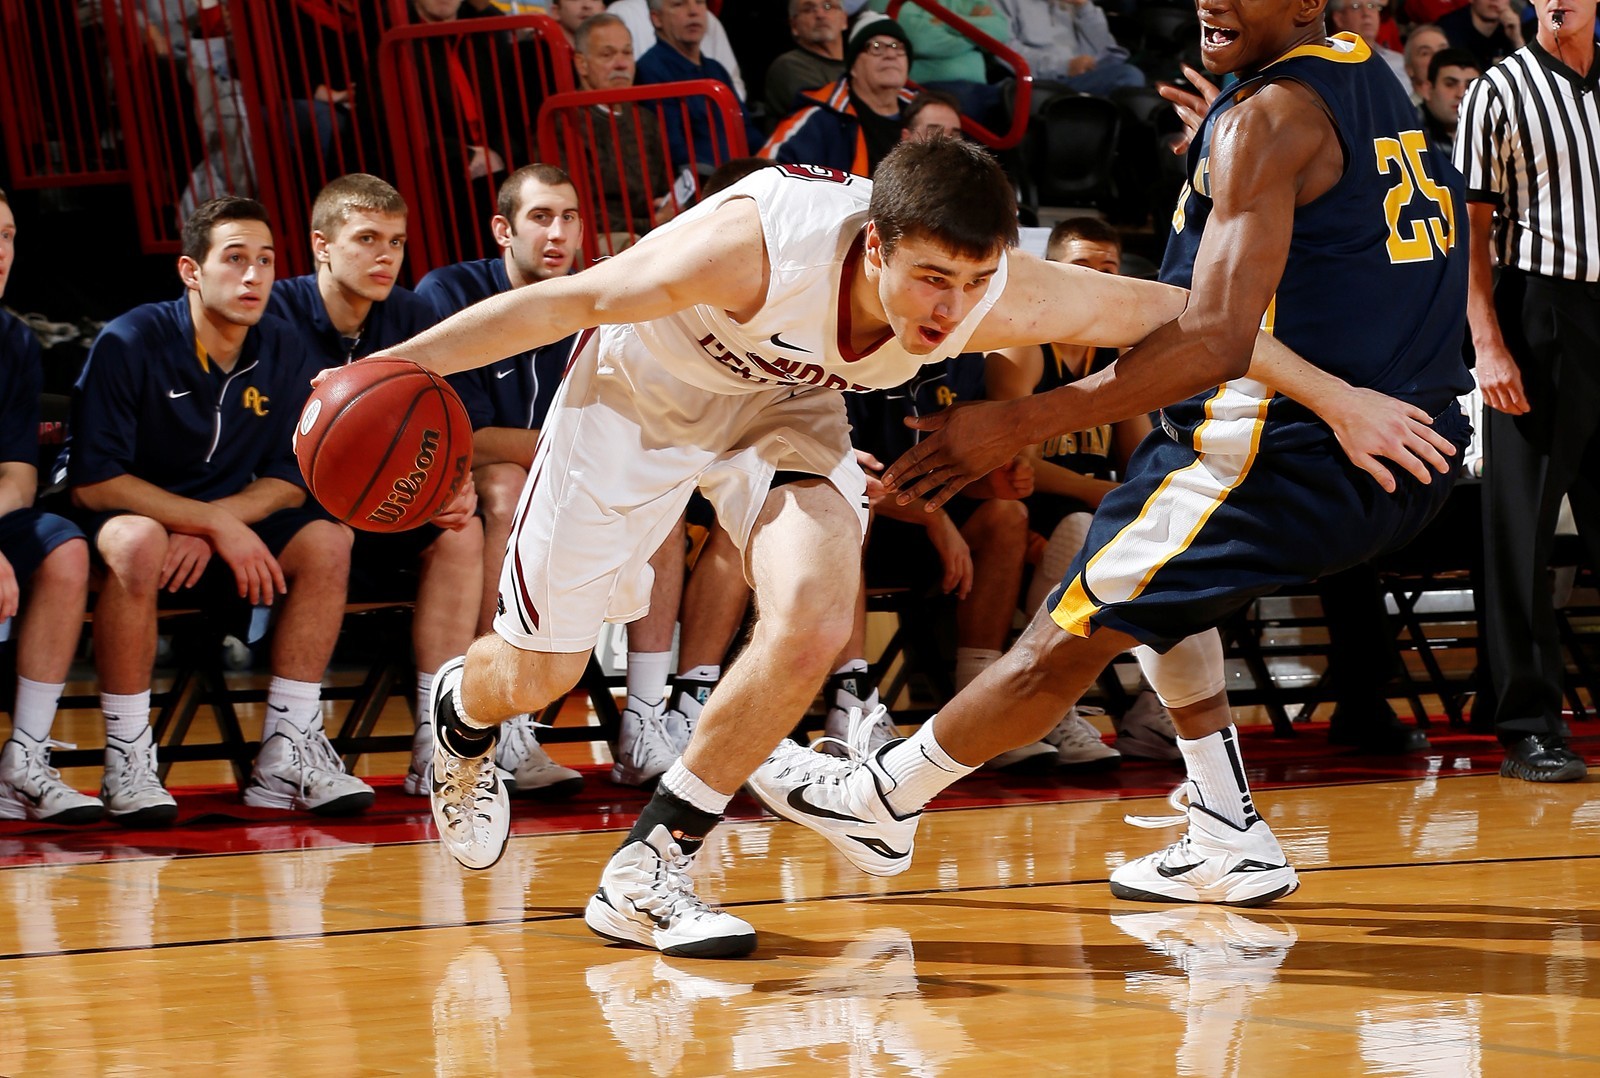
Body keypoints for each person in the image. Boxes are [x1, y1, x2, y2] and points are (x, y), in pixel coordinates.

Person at [382, 131, 1450, 956]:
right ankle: (463, 716)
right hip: (642, 400)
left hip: (785, 415)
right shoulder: (754, 245)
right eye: (930, 279)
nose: (949, 310)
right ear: (877, 247)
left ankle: (652, 863)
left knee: (808, 622)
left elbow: (1200, 317)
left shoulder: (993, 292)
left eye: (972, 281)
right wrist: (394, 370)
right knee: (543, 669)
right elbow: (568, 296)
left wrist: (1341, 398)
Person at [750, 8, 1471, 912]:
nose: (1212, 1)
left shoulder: (1267, 119)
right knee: (1156, 585)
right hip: (1413, 436)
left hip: (1271, 453)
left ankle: (879, 801)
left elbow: (1210, 339)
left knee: (1066, 637)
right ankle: (1224, 827)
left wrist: (1016, 423)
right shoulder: (1365, 72)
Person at [65, 196, 367, 822]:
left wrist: (221, 523)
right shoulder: (130, 340)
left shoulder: (284, 345)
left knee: (327, 540)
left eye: (265, 260)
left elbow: (292, 476)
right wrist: (209, 522)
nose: (255, 276)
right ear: (190, 271)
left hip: (226, 527)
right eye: (235, 260)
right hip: (135, 527)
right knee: (136, 540)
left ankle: (287, 753)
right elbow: (96, 482)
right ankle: (127, 757)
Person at [266, 174, 487, 799]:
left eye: (396, 240)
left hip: (382, 513)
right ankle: (289, 743)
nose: (385, 255)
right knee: (326, 535)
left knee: (463, 532)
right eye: (366, 239)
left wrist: (454, 484)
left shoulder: (415, 315)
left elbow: (454, 423)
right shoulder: (276, 315)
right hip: (299, 519)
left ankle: (437, 744)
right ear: (321, 246)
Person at [1456, 0, 1599, 783]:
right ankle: (1527, 725)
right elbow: (1470, 232)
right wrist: (1487, 343)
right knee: (1520, 535)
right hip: (1538, 310)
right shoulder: (1498, 90)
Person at [414, 164, 589, 799]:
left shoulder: (592, 298)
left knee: (669, 504)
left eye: (569, 218)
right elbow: (468, 436)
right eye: (541, 217)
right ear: (503, 230)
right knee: (506, 485)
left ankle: (654, 719)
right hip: (468, 491)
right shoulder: (448, 293)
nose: (558, 233)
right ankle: (490, 714)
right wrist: (575, 449)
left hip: (567, 486)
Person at [984, 216, 1181, 768]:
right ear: (1050, 270)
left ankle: (1152, 707)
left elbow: (1141, 461)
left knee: (1185, 535)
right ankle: (1049, 704)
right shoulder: (1020, 348)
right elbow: (1010, 459)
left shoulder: (1117, 356)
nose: (1097, 279)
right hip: (1028, 515)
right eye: (1082, 267)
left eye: (1109, 269)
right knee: (1081, 529)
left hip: (1090, 514)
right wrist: (1101, 493)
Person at [0, 190, 101, 826]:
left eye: (7, 236)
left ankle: (23, 761)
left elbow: (17, 473)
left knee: (65, 547)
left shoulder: (12, 338)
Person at [569, 12, 680, 249]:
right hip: (596, 240)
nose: (621, 64)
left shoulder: (646, 119)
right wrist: (649, 223)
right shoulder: (565, 122)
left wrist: (666, 207)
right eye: (608, 54)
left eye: (627, 53)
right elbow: (578, 211)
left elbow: (662, 188)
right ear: (581, 64)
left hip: (653, 232)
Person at [759, 14, 916, 176]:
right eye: (876, 47)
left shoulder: (925, 112)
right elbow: (764, 174)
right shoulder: (819, 118)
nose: (891, 55)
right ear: (853, 67)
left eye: (899, 47)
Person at [632, 0, 763, 174]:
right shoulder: (649, 70)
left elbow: (745, 130)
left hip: (738, 179)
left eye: (700, 2)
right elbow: (673, 149)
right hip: (703, 186)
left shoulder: (716, 69)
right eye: (679, 4)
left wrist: (771, 161)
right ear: (657, 19)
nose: (693, 11)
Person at [995, 0, 1148, 96]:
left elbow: (1104, 51)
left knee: (1143, 89)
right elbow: (1005, 51)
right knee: (1129, 76)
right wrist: (1064, 67)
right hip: (1037, 83)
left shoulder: (1073, 5)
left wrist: (1085, 8)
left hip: (1081, 79)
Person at [764, 0, 850, 120]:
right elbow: (830, 118)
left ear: (844, 20)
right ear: (794, 26)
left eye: (827, 6)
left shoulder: (856, 66)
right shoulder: (788, 66)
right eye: (808, 9)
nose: (820, 15)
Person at [1328, 0, 1412, 89]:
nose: (1366, 13)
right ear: (1339, 18)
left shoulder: (1398, 61)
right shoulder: (1328, 61)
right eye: (1356, 7)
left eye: (1372, 6)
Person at [1419, 47, 1480, 156]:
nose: (1461, 94)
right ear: (1427, 90)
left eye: (1470, 86)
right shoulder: (1407, 129)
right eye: (1450, 84)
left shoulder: (1494, 132)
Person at [1438, 0, 1525, 70]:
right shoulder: (1447, 29)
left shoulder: (1517, 26)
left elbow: (1529, 77)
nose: (1494, 0)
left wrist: (1516, 39)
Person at [1403, 23, 1450, 103]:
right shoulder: (1405, 112)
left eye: (1443, 51)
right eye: (1425, 53)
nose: (1437, 57)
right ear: (1409, 69)